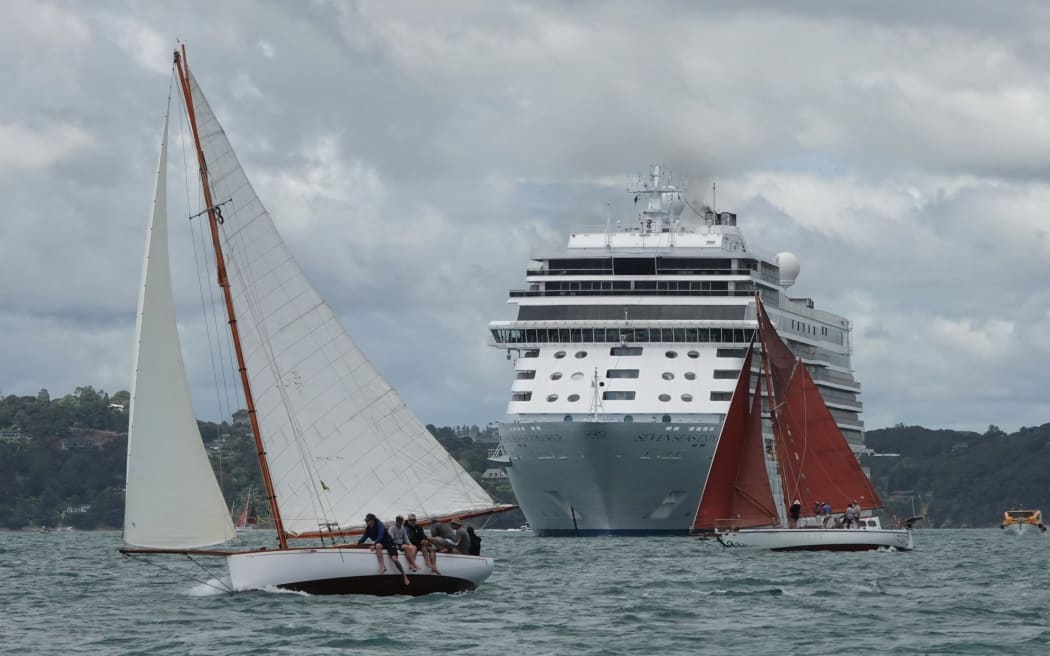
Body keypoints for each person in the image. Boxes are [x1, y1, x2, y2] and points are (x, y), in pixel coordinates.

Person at [358, 513, 409, 585]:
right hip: (381, 543)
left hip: (389, 542)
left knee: (394, 559)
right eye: (366, 521)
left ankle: (404, 576)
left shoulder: (380, 524)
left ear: (372, 520)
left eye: (367, 521)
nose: (366, 522)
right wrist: (358, 543)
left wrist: (374, 545)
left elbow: (380, 535)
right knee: (378, 546)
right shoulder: (368, 529)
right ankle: (382, 566)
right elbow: (364, 538)